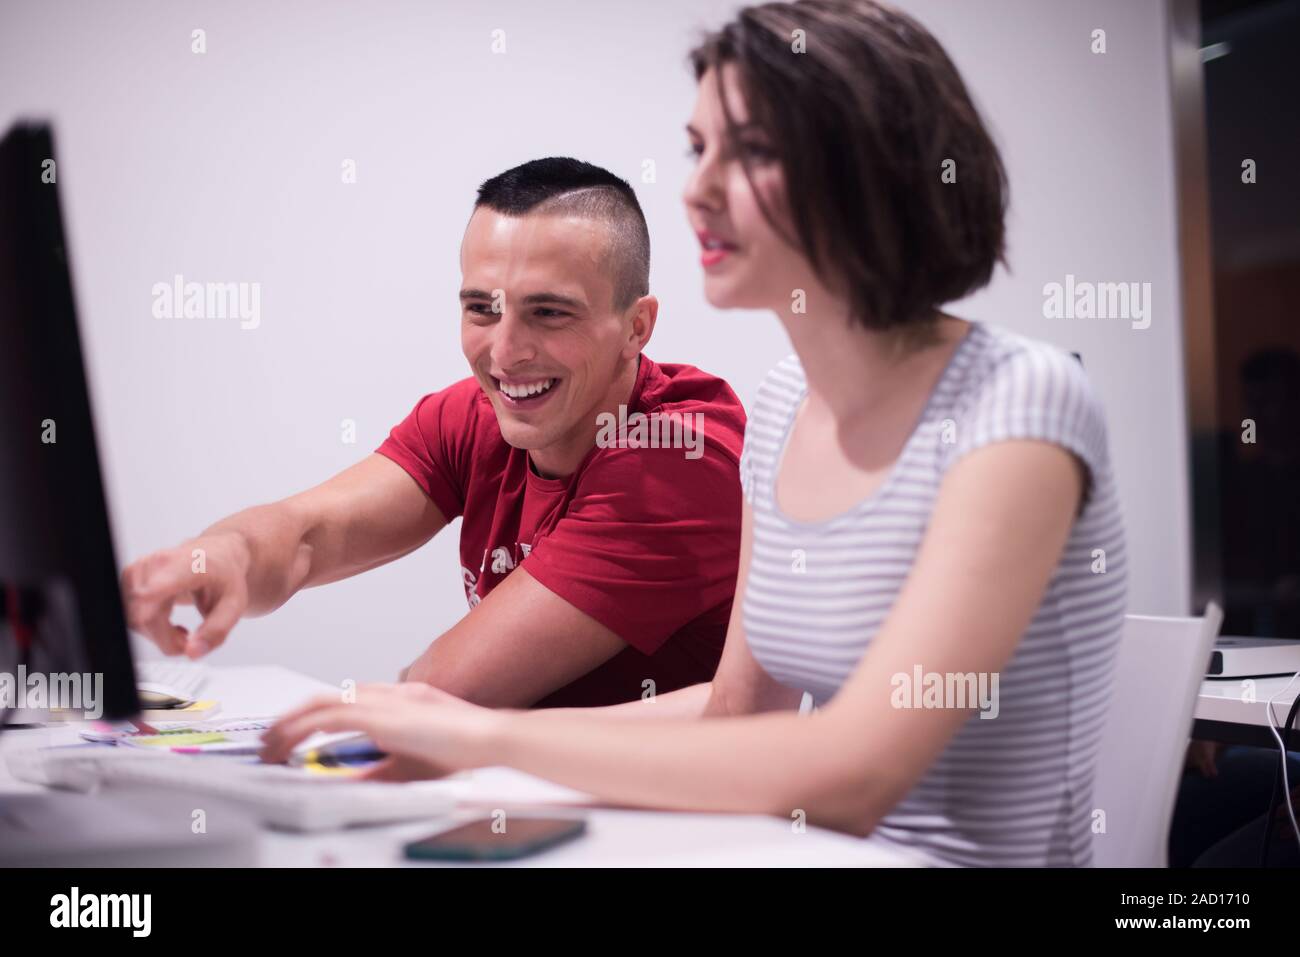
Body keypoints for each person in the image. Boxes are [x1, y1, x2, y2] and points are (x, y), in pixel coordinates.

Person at [262, 0, 1129, 867]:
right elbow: (739, 715)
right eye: (699, 147)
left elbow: (855, 775)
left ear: (873, 170)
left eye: (750, 151)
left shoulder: (1022, 400)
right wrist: (465, 734)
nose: (695, 189)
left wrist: (492, 742)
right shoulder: (788, 402)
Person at [122, 158, 746, 709]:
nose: (504, 353)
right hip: (531, 805)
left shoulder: (680, 455)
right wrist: (223, 554)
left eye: (548, 312)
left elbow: (438, 694)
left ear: (637, 327)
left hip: (675, 831)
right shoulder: (478, 413)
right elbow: (310, 535)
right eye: (482, 308)